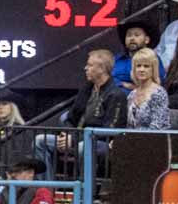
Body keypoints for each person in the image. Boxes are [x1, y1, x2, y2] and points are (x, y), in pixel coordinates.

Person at [35, 50, 126, 178]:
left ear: (102, 69)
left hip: (101, 143)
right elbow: (70, 118)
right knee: (40, 141)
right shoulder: (87, 89)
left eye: (90, 65)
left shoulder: (116, 95)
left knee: (83, 147)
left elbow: (108, 131)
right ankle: (46, 187)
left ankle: (85, 188)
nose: (85, 68)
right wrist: (67, 135)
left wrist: (73, 139)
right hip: (78, 138)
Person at [113, 18, 165, 90]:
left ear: (146, 40)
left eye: (137, 35)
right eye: (129, 35)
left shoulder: (153, 59)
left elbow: (157, 84)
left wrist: (135, 88)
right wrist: (123, 84)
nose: (132, 38)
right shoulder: (117, 59)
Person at [127, 48, 171, 130]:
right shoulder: (131, 95)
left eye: (146, 66)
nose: (142, 70)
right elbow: (129, 126)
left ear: (153, 69)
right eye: (138, 66)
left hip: (154, 137)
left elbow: (157, 127)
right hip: (132, 137)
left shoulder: (159, 93)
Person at [0, 89, 30, 169]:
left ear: (12, 107)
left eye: (4, 104)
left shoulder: (19, 129)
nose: (0, 107)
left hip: (17, 169)